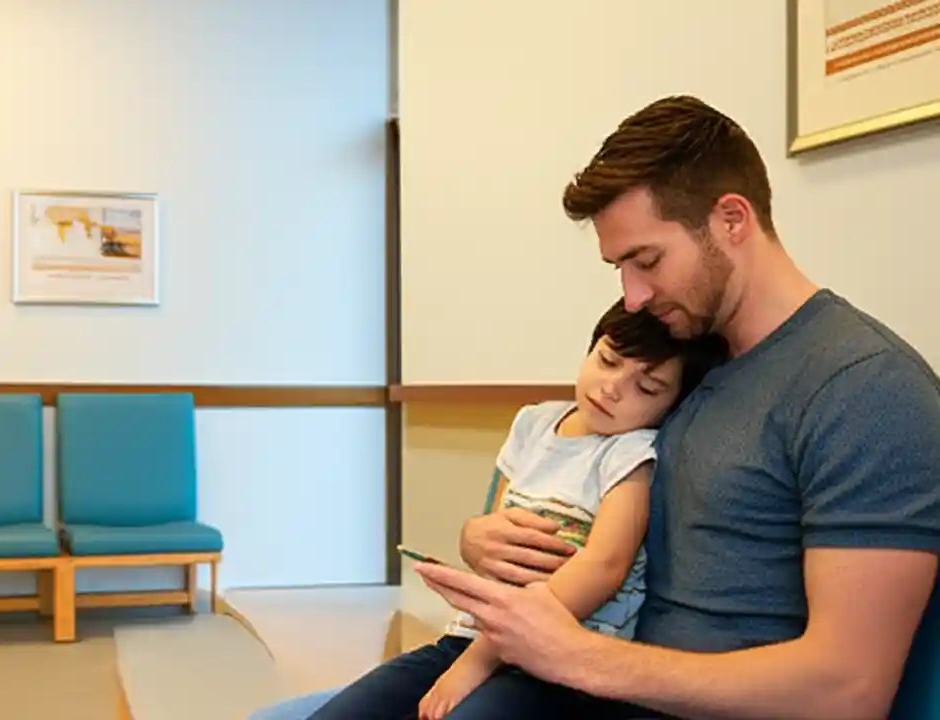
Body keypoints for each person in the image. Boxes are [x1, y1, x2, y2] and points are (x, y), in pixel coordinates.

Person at [413, 95, 940, 719]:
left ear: (732, 220)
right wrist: (486, 539)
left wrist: (578, 657)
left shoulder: (866, 391)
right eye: (619, 268)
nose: (632, 297)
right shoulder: (687, 362)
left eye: (648, 261)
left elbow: (847, 690)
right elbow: (604, 516)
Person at [306, 299, 725, 720]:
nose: (613, 387)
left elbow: (604, 567)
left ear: (671, 406)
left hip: (553, 667)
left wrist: (479, 661)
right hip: (469, 639)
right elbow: (494, 536)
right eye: (608, 360)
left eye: (647, 388)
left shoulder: (632, 455)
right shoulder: (533, 424)